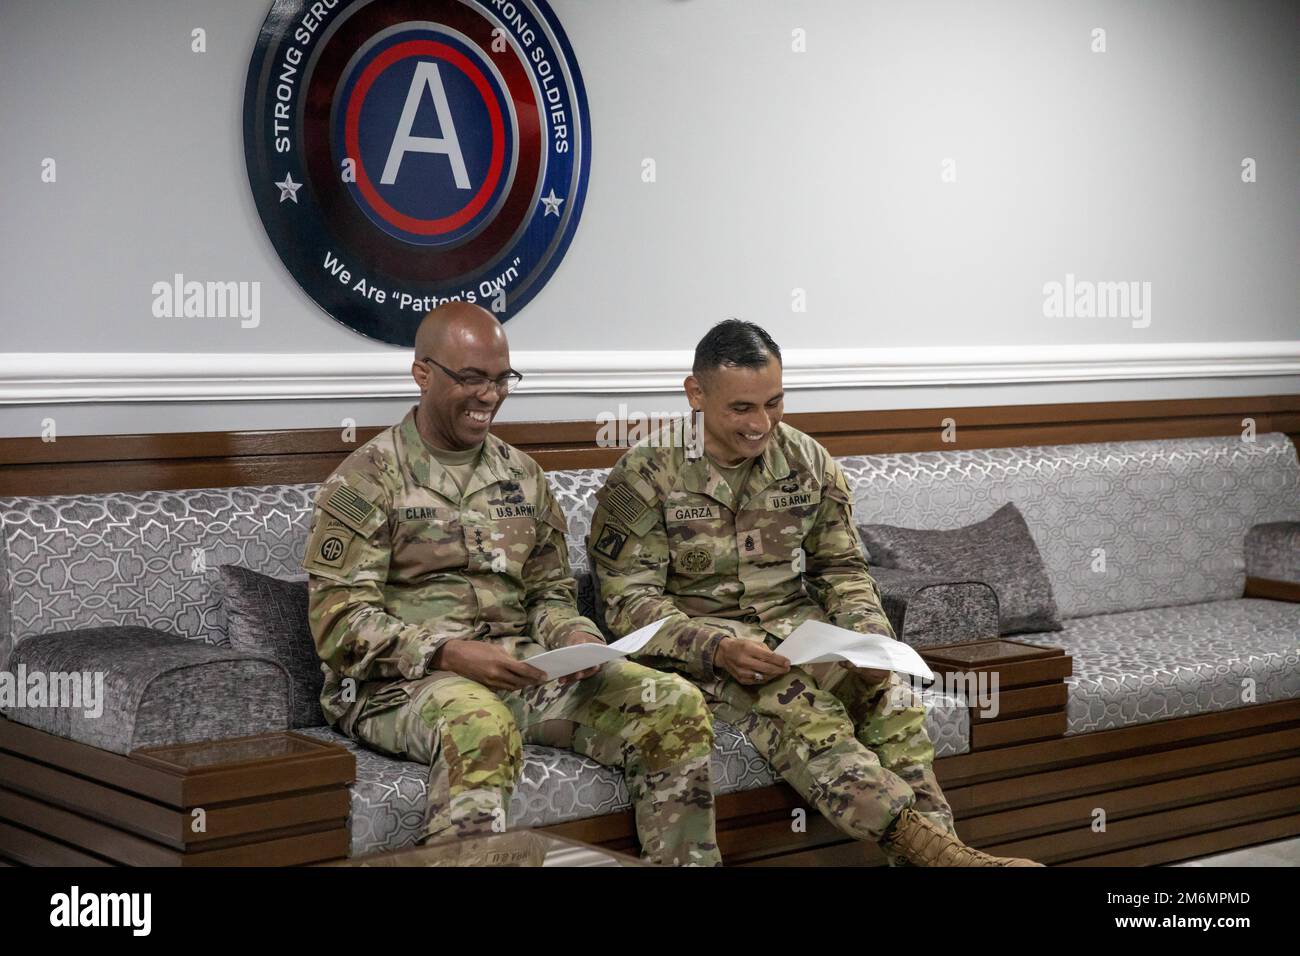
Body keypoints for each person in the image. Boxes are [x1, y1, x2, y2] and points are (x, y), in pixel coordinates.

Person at [586, 319, 1041, 867]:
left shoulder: (808, 461)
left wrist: (870, 643)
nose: (761, 425)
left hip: (799, 635)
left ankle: (937, 855)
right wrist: (715, 647)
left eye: (774, 403)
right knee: (801, 709)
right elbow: (627, 603)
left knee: (893, 700)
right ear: (695, 393)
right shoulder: (644, 475)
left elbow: (842, 569)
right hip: (704, 656)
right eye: (742, 409)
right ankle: (942, 856)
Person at [303, 302, 719, 866]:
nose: (490, 395)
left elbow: (549, 593)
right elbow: (339, 624)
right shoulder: (367, 479)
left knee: (672, 701)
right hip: (401, 683)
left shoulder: (522, 476)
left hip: (520, 668)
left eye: (502, 379)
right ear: (422, 372)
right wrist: (448, 651)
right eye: (471, 378)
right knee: (480, 724)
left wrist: (575, 637)